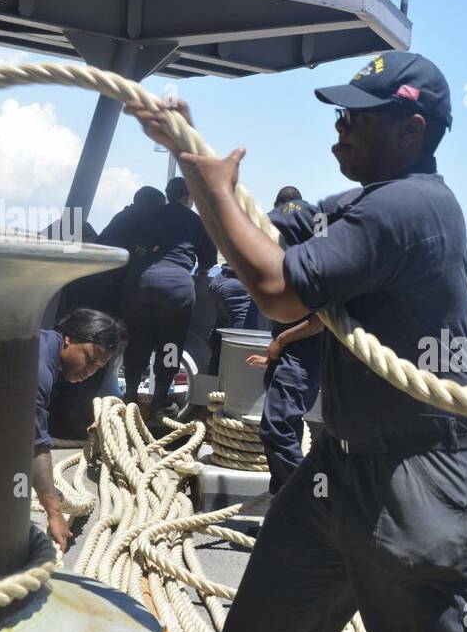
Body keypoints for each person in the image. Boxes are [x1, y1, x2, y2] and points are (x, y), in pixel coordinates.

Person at [124, 50, 467, 632]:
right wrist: (194, 153)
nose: (339, 125)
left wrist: (198, 182)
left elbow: (275, 286)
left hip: (419, 482)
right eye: (339, 112)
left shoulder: (408, 206)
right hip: (340, 471)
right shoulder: (367, 200)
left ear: (411, 127)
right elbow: (275, 231)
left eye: (358, 116)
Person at [242, 189, 327, 494]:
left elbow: (320, 321)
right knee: (289, 426)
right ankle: (281, 505)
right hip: (289, 353)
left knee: (275, 428)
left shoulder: (315, 270)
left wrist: (281, 343)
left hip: (303, 353)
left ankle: (307, 501)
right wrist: (274, 354)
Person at [121, 176, 217, 419]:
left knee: (139, 337)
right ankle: (160, 402)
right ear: (187, 197)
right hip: (176, 288)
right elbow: (207, 262)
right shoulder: (197, 221)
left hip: (139, 282)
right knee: (171, 343)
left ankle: (130, 397)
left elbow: (131, 246)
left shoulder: (149, 214)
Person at [33, 308, 127, 550]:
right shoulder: (38, 369)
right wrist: (54, 512)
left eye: (99, 366)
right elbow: (34, 443)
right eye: (89, 358)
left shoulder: (43, 345)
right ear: (69, 339)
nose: (90, 371)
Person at [205, 188, 301, 374]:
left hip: (221, 281)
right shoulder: (291, 222)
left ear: (275, 203)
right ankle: (233, 396)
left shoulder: (258, 219)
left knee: (221, 338)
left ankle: (211, 392)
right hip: (242, 290)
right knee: (244, 346)